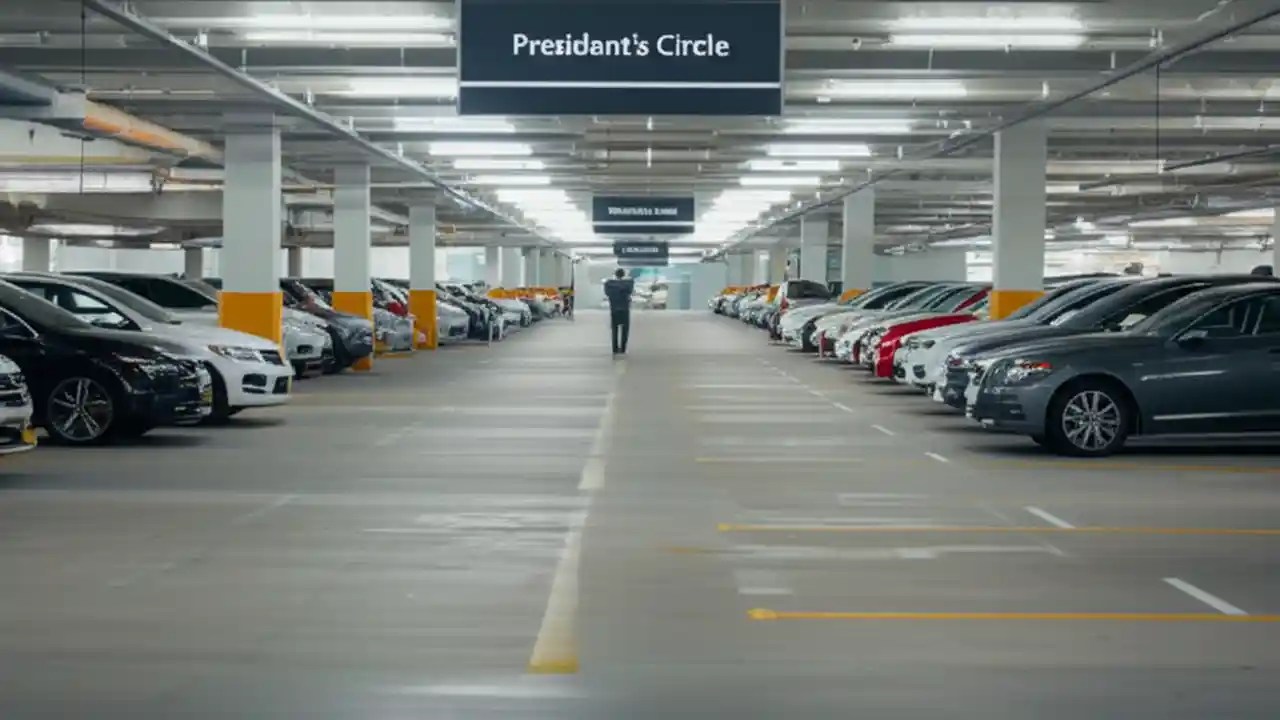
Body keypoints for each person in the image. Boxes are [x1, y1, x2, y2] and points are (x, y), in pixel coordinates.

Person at [603, 268, 635, 355]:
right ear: (623, 274)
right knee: (625, 330)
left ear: (615, 274)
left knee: (614, 329)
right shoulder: (628, 283)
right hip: (625, 309)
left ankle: (615, 348)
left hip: (614, 309)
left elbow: (607, 293)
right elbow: (629, 291)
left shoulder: (609, 284)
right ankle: (623, 349)